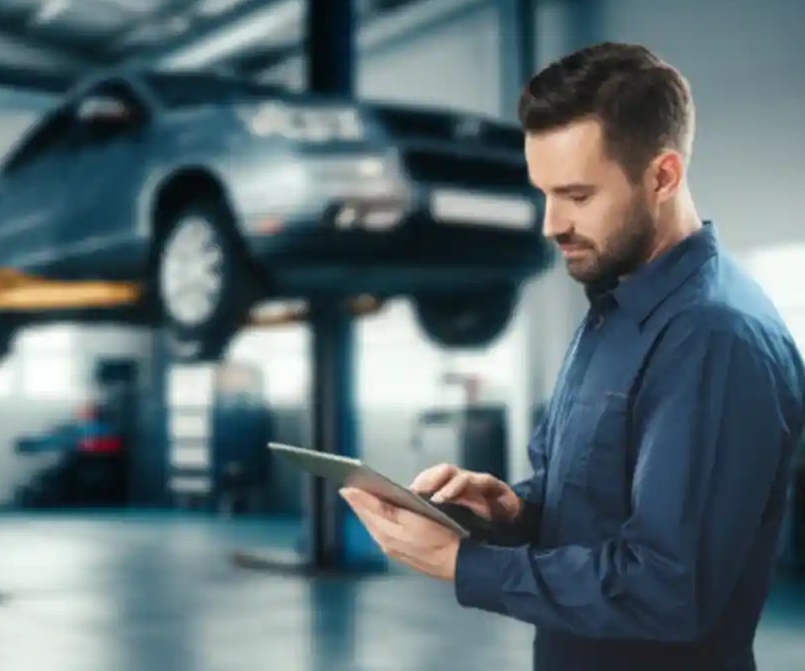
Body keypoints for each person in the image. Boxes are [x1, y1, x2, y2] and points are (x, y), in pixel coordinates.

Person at [340, 42, 805, 670]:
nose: (550, 223)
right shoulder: (614, 305)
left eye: (578, 195)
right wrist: (512, 510)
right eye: (544, 193)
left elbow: (668, 587)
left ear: (662, 176)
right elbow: (598, 500)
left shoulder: (714, 339)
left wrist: (462, 564)